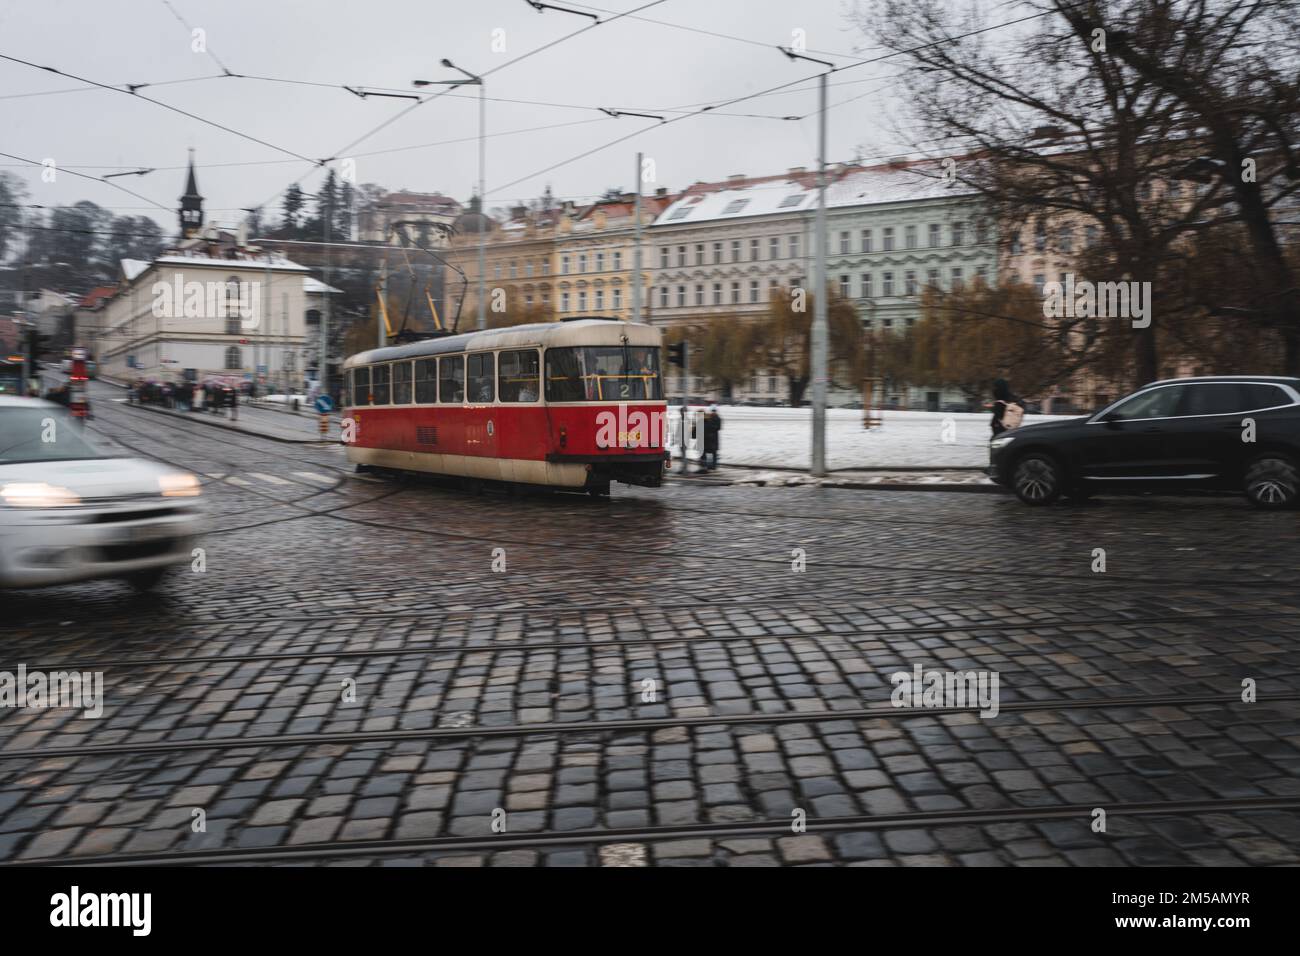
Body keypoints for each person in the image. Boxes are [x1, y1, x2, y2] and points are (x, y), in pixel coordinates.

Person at [703, 404, 722, 471]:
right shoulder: (709, 417)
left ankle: (714, 466)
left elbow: (718, 427)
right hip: (709, 438)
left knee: (714, 453)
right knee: (709, 452)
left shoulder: (718, 418)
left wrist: (710, 428)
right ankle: (709, 465)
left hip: (714, 438)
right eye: (712, 411)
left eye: (714, 411)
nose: (713, 412)